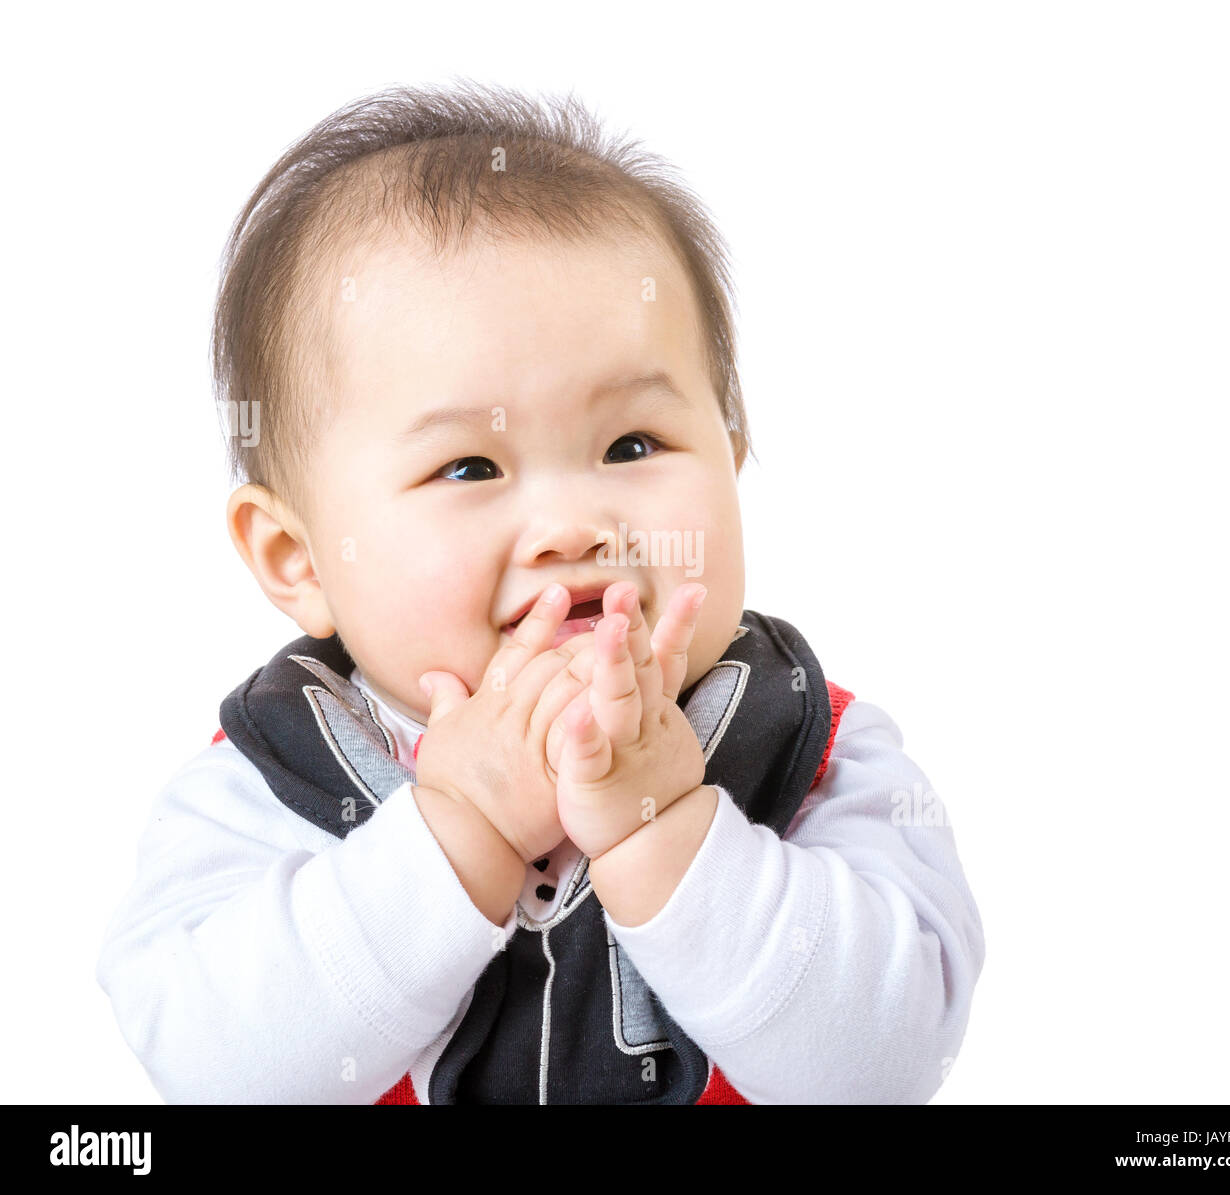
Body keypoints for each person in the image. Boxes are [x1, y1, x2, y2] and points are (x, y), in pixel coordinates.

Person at [96, 80, 985, 1104]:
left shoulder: (822, 754)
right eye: (470, 467)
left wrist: (665, 830)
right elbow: (216, 1070)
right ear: (298, 558)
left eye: (632, 445)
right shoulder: (261, 787)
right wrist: (459, 829)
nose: (574, 523)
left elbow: (885, 1065)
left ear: (732, 464)